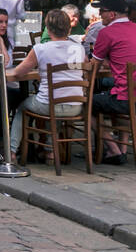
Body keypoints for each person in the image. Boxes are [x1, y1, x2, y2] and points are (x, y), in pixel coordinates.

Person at [6, 9, 86, 165]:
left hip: (49, 105)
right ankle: (50, 151)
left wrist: (3, 72)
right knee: (53, 103)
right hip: (76, 106)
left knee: (23, 107)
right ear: (69, 29)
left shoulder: (41, 49)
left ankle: (11, 151)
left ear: (48, 30)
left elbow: (18, 73)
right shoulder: (79, 48)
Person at [91, 0, 136, 165]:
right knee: (117, 93)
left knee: (85, 104)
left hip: (129, 100)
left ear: (112, 14)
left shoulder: (107, 32)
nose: (99, 14)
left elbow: (92, 67)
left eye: (102, 11)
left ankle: (113, 149)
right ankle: (121, 150)